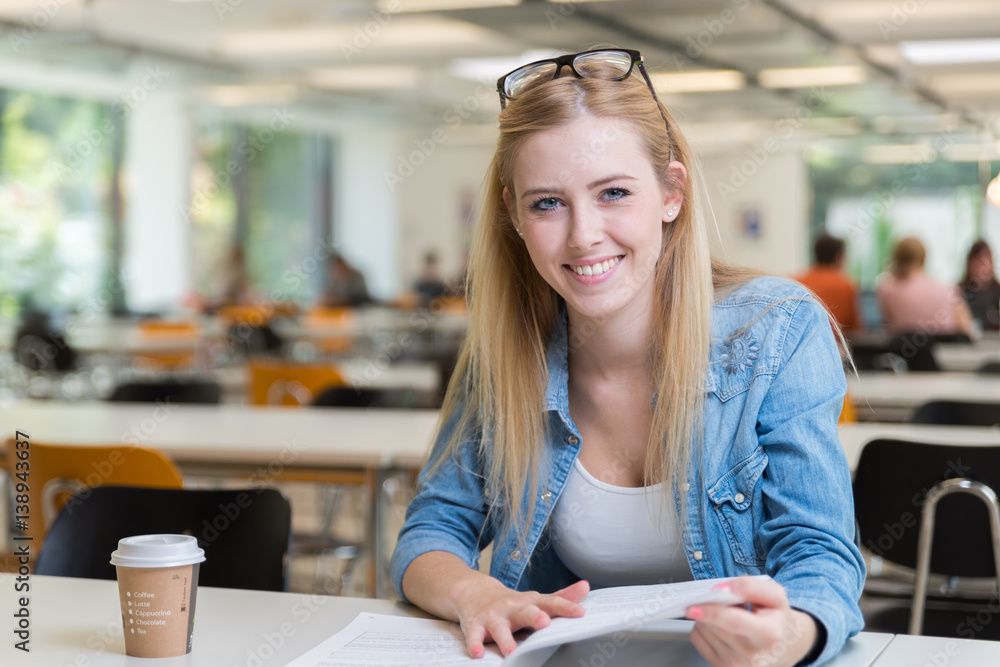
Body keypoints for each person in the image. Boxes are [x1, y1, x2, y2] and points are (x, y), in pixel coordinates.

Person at [390, 48, 864, 667]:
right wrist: (473, 592)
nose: (583, 234)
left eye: (613, 192)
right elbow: (432, 530)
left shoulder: (775, 328)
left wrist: (788, 637)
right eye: (547, 203)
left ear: (671, 193)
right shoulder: (510, 351)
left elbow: (821, 553)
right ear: (514, 214)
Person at [876, 237, 976, 340]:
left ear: (896, 258)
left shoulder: (886, 289)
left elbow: (890, 327)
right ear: (923, 258)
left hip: (906, 349)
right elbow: (966, 331)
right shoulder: (947, 290)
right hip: (945, 349)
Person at [795, 234, 861, 332]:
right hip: (834, 340)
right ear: (838, 256)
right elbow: (854, 328)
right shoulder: (846, 285)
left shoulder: (798, 282)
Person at [958, 239, 1000, 332]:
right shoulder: (959, 292)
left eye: (986, 259)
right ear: (969, 263)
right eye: (979, 260)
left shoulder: (998, 291)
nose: (982, 265)